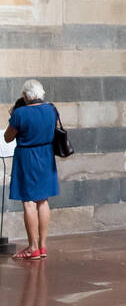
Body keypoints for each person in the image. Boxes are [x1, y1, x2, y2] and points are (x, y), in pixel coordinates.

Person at [4, 79, 59, 260]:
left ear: (25, 95)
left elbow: (7, 138)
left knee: (28, 202)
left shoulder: (20, 113)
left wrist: (12, 117)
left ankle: (32, 248)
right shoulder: (52, 109)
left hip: (27, 158)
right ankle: (42, 247)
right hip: (46, 156)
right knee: (43, 200)